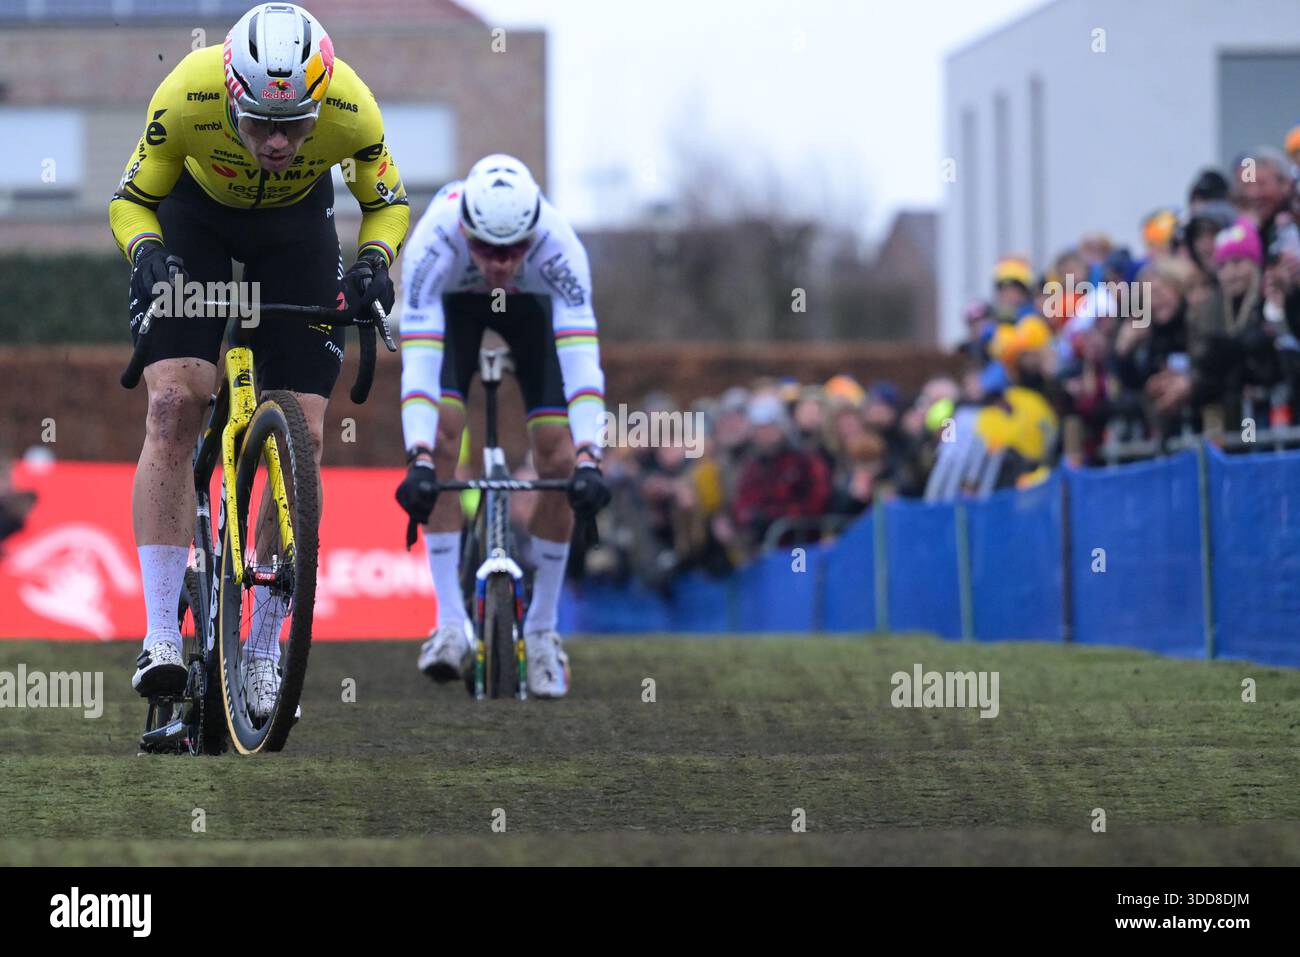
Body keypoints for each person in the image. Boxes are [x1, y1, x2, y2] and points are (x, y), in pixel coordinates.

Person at [110, 2, 409, 712]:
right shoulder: (186, 93)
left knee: (303, 430)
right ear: (231, 93)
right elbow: (131, 201)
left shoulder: (353, 107)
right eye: (261, 125)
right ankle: (158, 632)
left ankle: (266, 647)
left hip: (295, 232)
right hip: (196, 219)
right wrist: (147, 254)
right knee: (175, 401)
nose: (278, 143)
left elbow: (388, 202)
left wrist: (375, 260)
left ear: (323, 100)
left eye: (296, 125)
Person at [394, 154, 611, 699]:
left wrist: (591, 458)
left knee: (558, 458)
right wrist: (418, 456)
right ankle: (449, 622)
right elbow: (419, 361)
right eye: (485, 249)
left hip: (532, 310)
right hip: (453, 310)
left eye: (513, 250)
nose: (498, 263)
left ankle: (541, 630)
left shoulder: (560, 249)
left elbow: (583, 359)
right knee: (443, 437)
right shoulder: (433, 243)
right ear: (464, 229)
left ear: (534, 233)